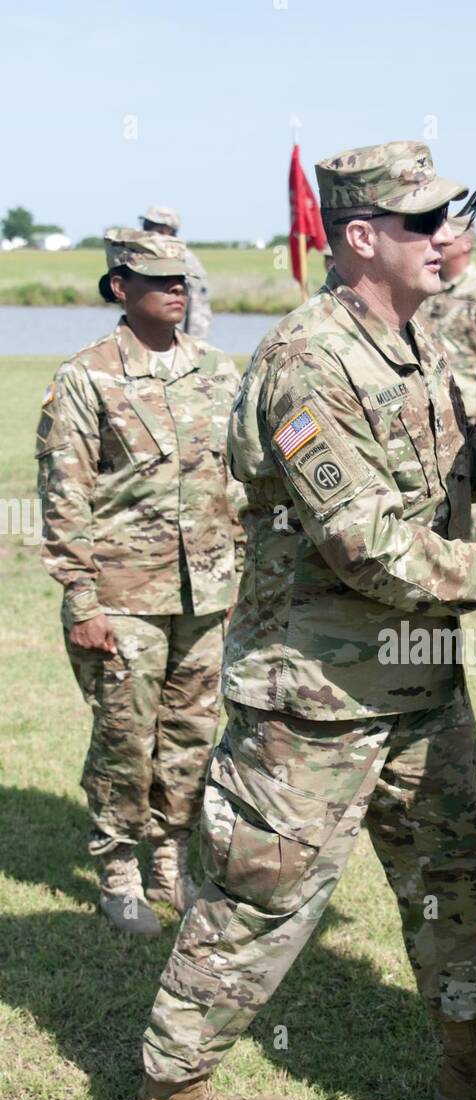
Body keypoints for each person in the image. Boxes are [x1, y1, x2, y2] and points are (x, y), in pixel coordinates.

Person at [131, 141, 476, 1100]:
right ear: (360, 238)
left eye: (447, 217)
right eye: (420, 223)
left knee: (459, 885)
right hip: (317, 695)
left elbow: (465, 469)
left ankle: (473, 1067)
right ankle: (172, 1097)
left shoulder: (413, 341)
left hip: (419, 682)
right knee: (260, 899)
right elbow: (371, 546)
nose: (445, 236)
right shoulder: (306, 362)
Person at [36, 229, 245, 936]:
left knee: (189, 735)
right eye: (158, 281)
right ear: (120, 288)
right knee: (125, 736)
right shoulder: (86, 376)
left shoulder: (219, 371)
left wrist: (243, 574)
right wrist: (81, 599)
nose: (176, 290)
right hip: (123, 596)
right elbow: (65, 496)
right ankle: (119, 867)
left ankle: (169, 859)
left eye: (182, 279)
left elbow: (243, 481)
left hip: (209, 593)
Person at [419, 214, 476, 540]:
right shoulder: (426, 285)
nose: (440, 240)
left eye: (450, 235)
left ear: (467, 244)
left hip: (470, 412)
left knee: (472, 502)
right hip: (429, 410)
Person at [141, 205, 212, 340]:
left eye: (151, 228)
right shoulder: (140, 255)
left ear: (166, 230)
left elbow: (199, 306)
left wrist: (193, 344)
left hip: (175, 339)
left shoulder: (185, 258)